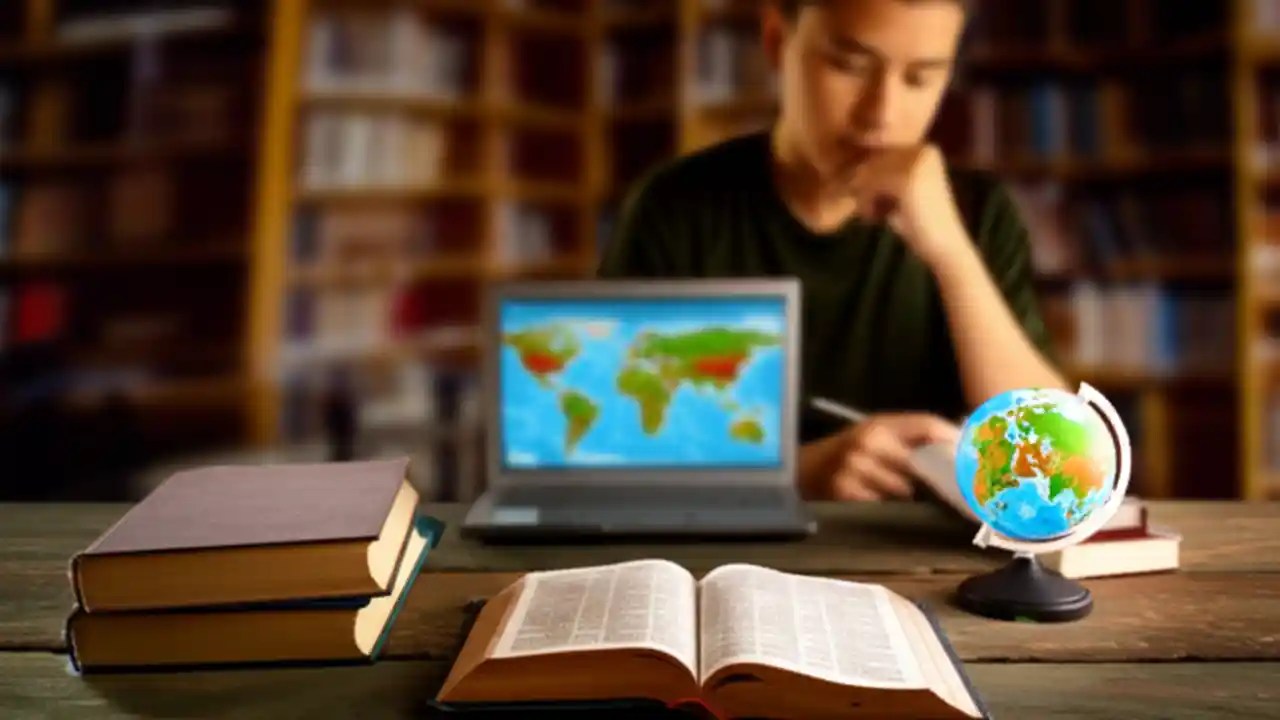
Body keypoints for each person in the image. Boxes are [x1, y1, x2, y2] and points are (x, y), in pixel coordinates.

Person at [597, 0, 1067, 503]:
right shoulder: (675, 207)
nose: (880, 115)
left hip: (927, 566)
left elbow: (1055, 466)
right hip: (733, 555)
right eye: (849, 66)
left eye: (919, 78)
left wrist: (951, 252)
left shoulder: (978, 213)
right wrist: (792, 474)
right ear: (778, 42)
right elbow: (607, 450)